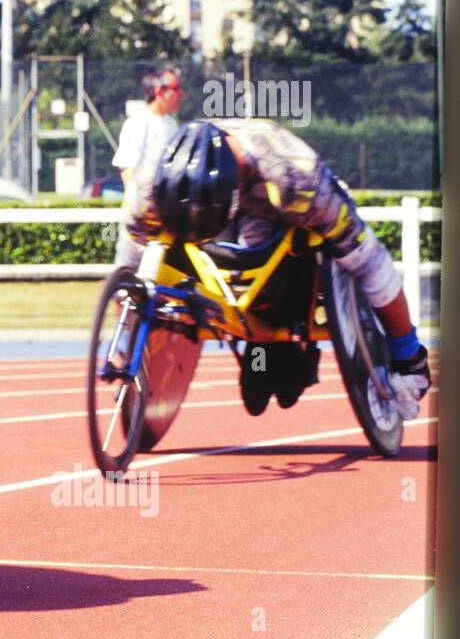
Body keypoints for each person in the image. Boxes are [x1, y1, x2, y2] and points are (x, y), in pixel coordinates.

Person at [133, 119, 431, 420]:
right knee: (218, 251)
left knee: (266, 244)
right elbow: (133, 258)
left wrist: (408, 354)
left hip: (281, 211)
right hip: (222, 212)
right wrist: (126, 331)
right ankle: (261, 352)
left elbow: (370, 263)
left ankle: (285, 350)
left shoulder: (297, 178)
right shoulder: (150, 185)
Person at [111, 66, 183, 270]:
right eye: (176, 88)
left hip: (165, 218)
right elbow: (128, 170)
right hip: (141, 220)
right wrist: (139, 211)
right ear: (160, 91)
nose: (181, 94)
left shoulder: (172, 125)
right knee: (127, 277)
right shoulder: (138, 124)